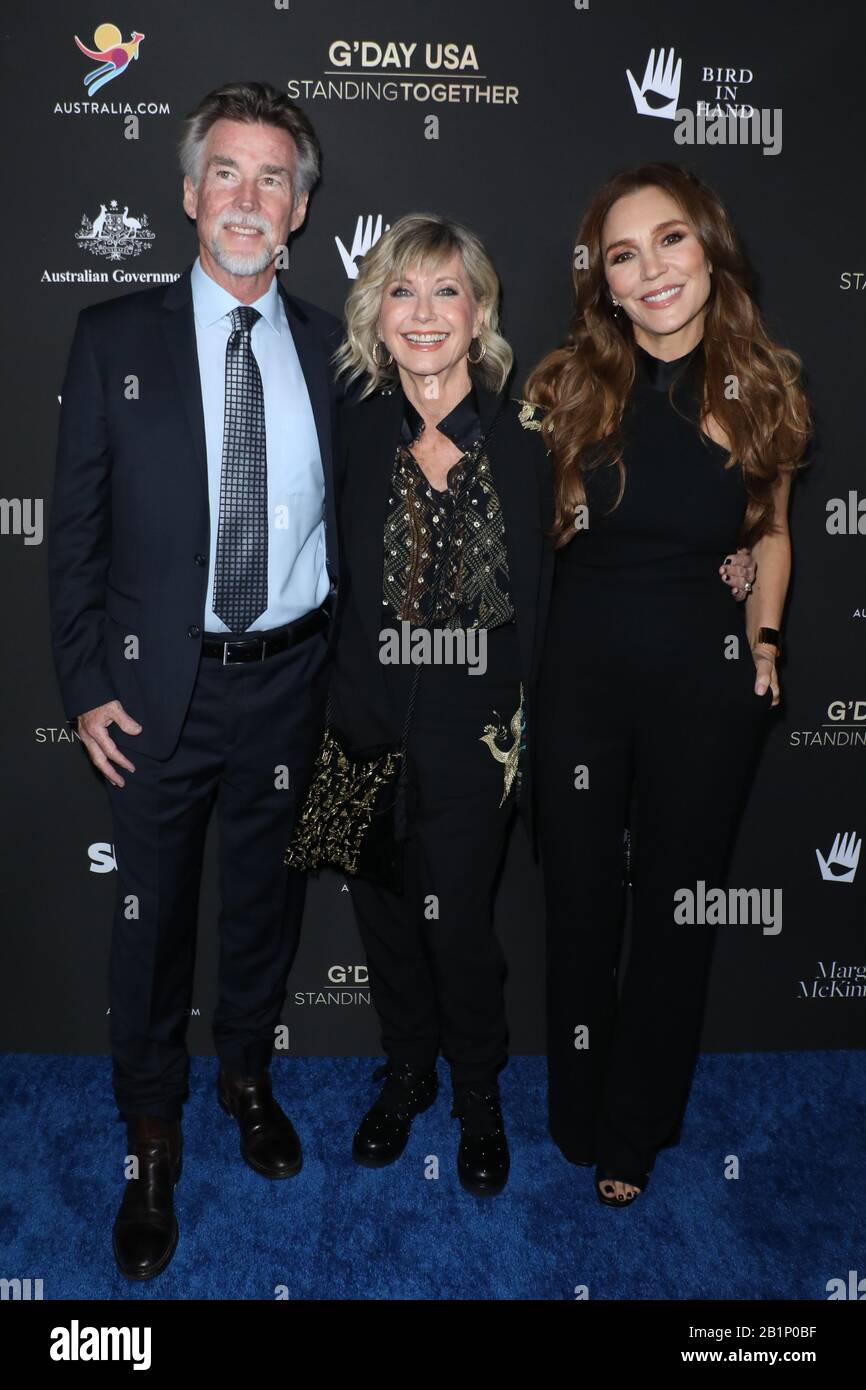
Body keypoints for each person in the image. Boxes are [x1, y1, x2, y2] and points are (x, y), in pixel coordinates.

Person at [317, 211, 752, 1197]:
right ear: (374, 314)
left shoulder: (531, 432)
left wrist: (726, 560)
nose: (423, 313)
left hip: (477, 722)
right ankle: (403, 1078)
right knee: (384, 918)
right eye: (401, 291)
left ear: (480, 313)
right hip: (357, 710)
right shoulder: (345, 423)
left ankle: (477, 1100)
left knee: (458, 924)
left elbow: (631, 520)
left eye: (445, 292)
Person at [47, 82, 343, 1279]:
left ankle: (246, 1081)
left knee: (262, 915)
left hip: (290, 684)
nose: (247, 196)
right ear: (187, 193)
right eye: (227, 171)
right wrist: (79, 682)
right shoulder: (111, 338)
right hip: (154, 695)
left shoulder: (339, 348)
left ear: (301, 209)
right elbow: (73, 534)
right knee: (150, 928)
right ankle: (151, 1141)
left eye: (273, 177)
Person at [528, 163, 810, 1206]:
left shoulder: (761, 384)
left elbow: (771, 536)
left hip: (706, 683)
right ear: (600, 281)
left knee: (678, 912)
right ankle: (576, 1099)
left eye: (670, 241)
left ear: (708, 250)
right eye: (621, 253)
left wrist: (765, 636)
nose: (650, 268)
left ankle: (632, 1132)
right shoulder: (567, 384)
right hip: (577, 685)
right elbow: (536, 536)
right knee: (581, 904)